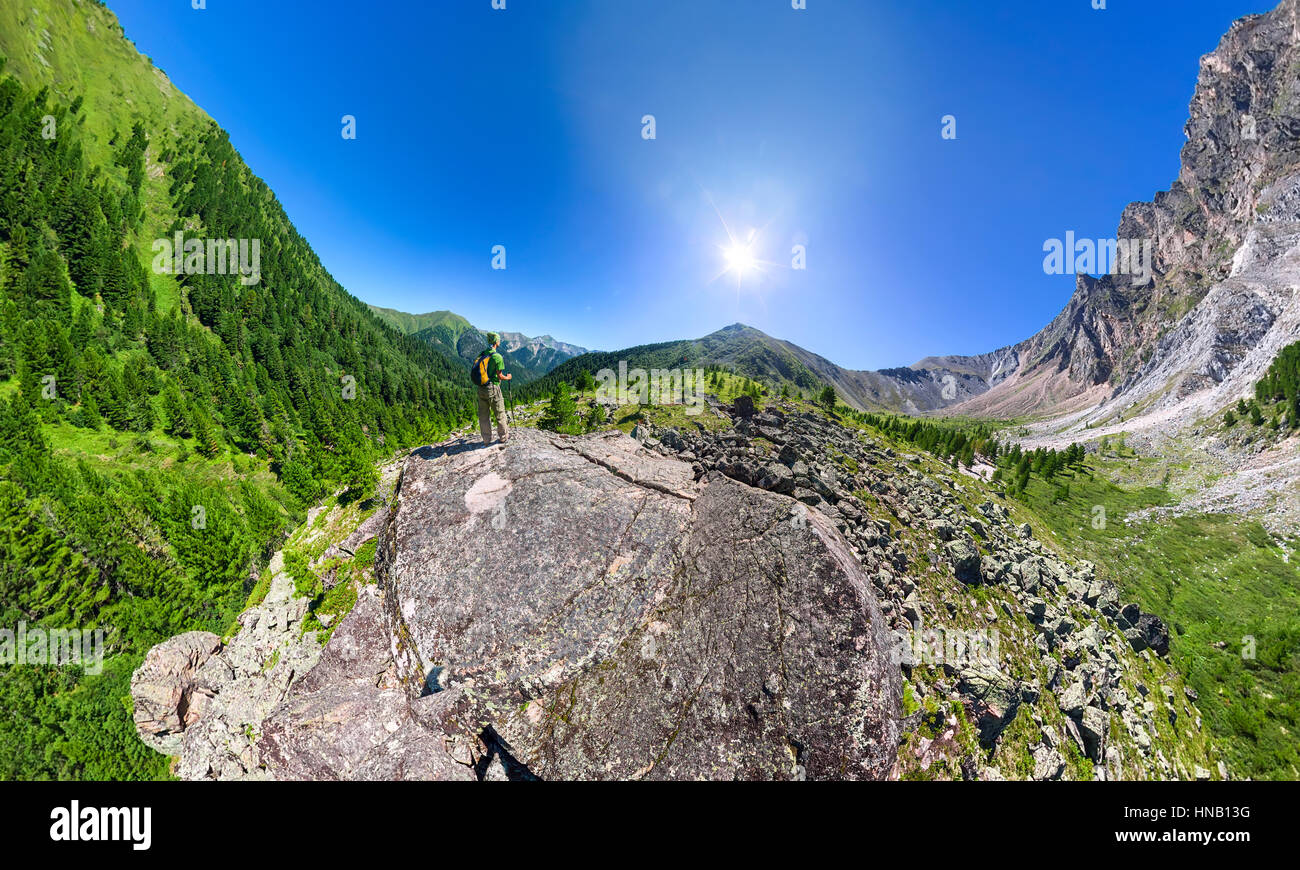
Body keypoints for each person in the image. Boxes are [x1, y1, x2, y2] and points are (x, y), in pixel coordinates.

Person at [473, 332, 512, 445]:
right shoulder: (497, 357)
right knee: (500, 413)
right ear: (496, 342)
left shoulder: (482, 354)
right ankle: (503, 437)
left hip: (481, 387)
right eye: (499, 340)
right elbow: (500, 376)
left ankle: (486, 440)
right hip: (493, 388)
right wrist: (508, 377)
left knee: (484, 415)